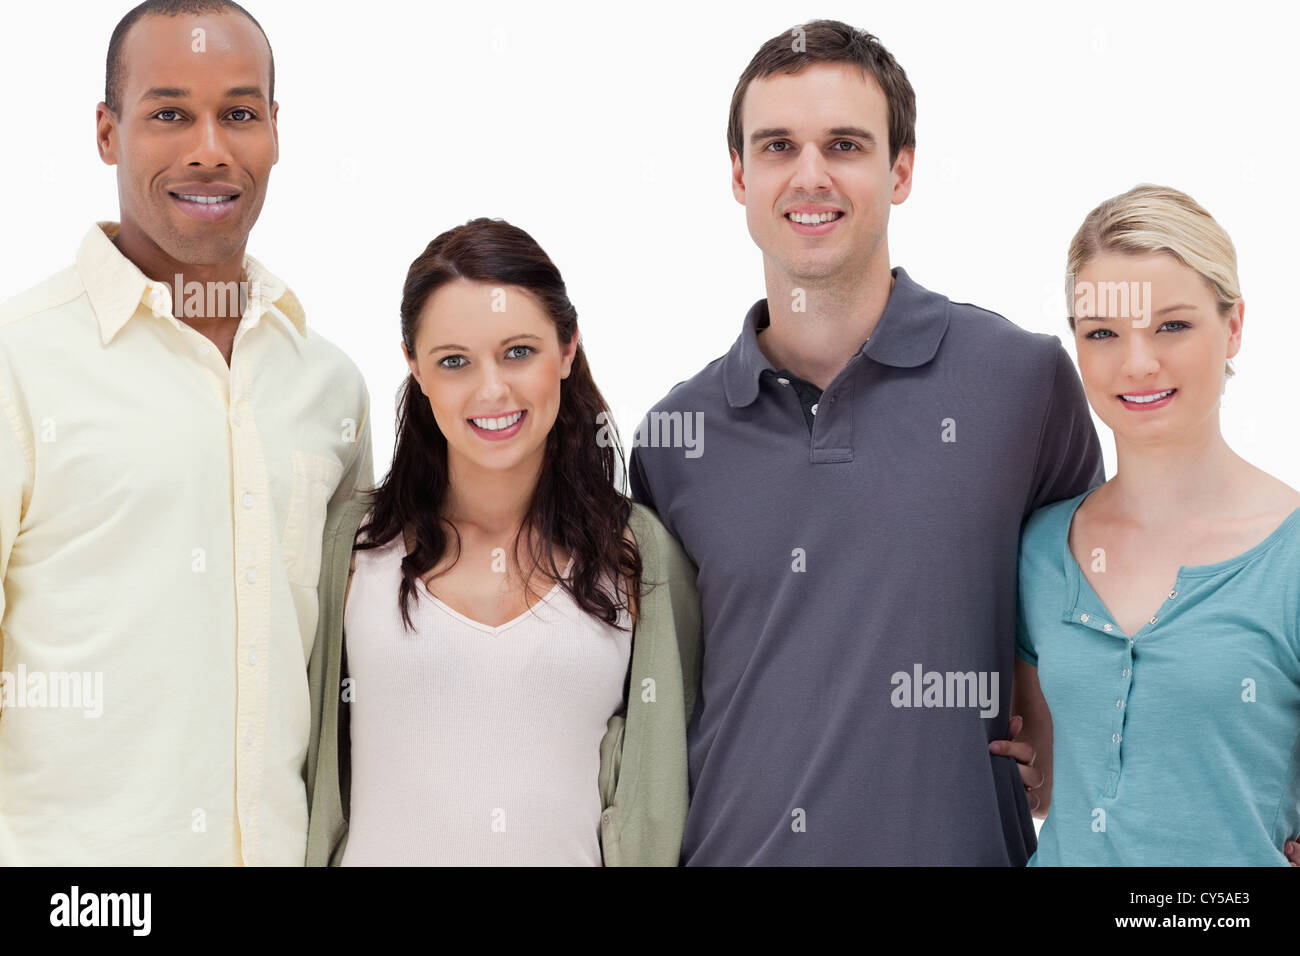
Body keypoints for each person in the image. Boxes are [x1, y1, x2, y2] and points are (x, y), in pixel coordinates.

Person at [628, 19, 1104, 865]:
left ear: (902, 169)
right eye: (777, 146)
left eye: (844, 144)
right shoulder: (672, 440)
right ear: (739, 176)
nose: (810, 175)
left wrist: (1066, 723)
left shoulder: (1022, 384)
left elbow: (1101, 612)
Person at [0, 0, 372, 865]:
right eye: (170, 113)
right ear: (106, 132)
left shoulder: (329, 385)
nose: (210, 148)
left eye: (239, 113)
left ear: (276, 132)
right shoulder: (19, 364)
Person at [304, 218, 701, 866]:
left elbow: (660, 797)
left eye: (518, 351)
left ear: (567, 349)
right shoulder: (352, 546)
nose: (491, 390)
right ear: (415, 368)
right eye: (454, 361)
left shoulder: (638, 554)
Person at [1012, 184, 1300, 866]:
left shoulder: (1288, 558)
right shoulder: (1041, 552)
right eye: (1103, 334)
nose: (1137, 363)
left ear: (1233, 327)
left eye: (1171, 325)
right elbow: (1049, 779)